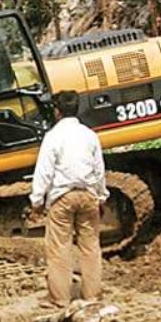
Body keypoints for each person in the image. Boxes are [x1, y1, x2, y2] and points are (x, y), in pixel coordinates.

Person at [27, 90, 108, 307]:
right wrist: (101, 197)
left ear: (57, 111)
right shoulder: (90, 135)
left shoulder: (53, 137)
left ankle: (60, 298)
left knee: (59, 248)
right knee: (90, 246)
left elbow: (44, 172)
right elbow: (99, 170)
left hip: (62, 198)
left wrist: (36, 202)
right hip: (88, 195)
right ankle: (92, 296)